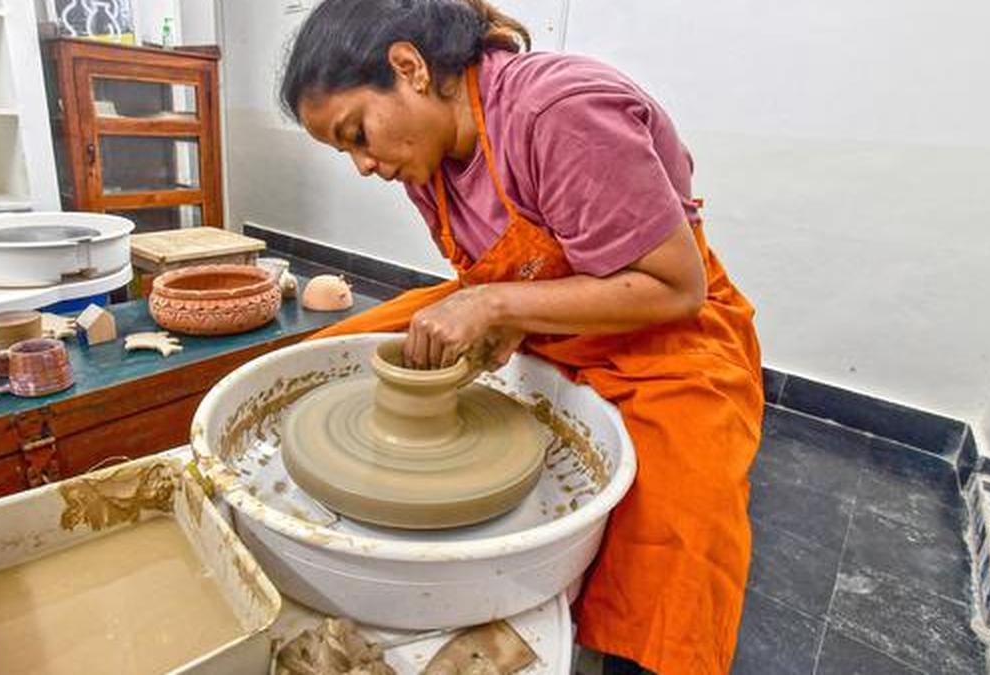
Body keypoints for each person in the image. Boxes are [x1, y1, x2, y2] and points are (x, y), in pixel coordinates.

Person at [280, 1, 764, 672]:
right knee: (328, 353)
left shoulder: (556, 112)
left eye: (357, 132)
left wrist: (498, 305)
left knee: (681, 524)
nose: (363, 163)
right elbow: (501, 275)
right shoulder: (430, 161)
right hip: (549, 316)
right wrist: (497, 324)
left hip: (661, 331)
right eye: (347, 150)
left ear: (409, 67)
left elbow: (677, 289)